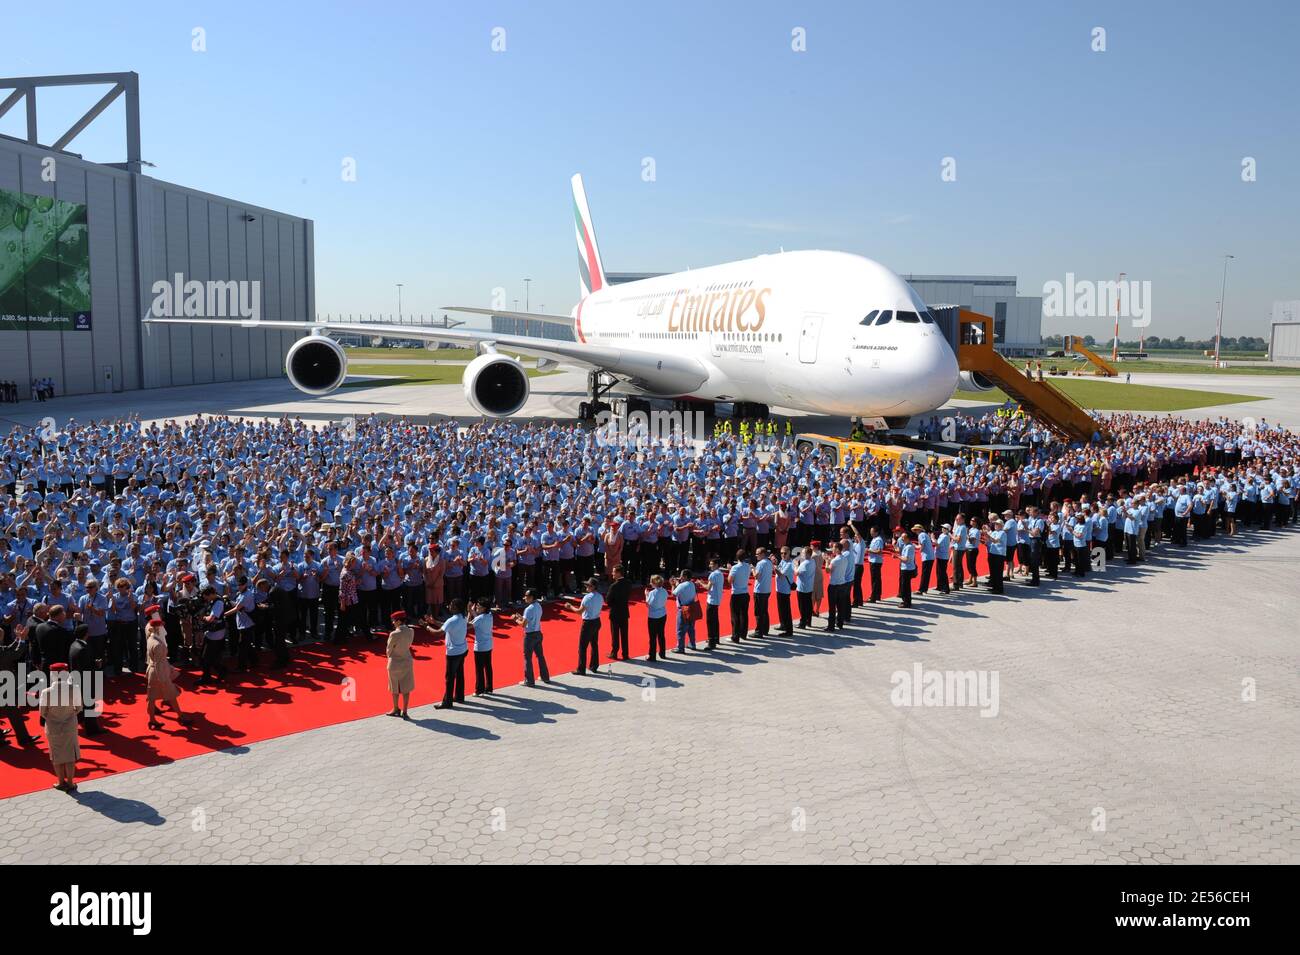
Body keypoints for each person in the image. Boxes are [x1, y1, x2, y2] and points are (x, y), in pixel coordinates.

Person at [143, 604, 189, 729]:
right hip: (159, 670)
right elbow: (159, 661)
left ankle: (152, 720)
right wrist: (163, 678)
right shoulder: (157, 642)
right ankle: (181, 717)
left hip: (153, 668)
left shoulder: (152, 635)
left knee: (151, 698)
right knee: (171, 695)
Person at [38, 662, 81, 792]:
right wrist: (69, 715)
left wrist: (53, 718)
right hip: (69, 726)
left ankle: (61, 782)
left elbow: (42, 712)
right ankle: (71, 783)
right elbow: (79, 708)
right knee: (69, 755)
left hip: (53, 727)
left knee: (57, 756)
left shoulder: (46, 692)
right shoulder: (74, 688)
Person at [428, 599, 468, 709]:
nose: (449, 606)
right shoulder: (463, 617)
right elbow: (446, 626)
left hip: (453, 652)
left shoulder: (451, 620)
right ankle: (459, 696)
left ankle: (447, 701)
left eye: (451, 605)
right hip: (463, 650)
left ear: (455, 607)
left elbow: (438, 633)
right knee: (459, 674)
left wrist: (426, 627)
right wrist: (434, 622)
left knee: (449, 678)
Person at [512, 589, 550, 686]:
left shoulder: (528, 609)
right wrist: (521, 617)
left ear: (532, 597)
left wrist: (516, 619)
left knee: (527, 658)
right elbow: (531, 620)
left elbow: (523, 625)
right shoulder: (538, 606)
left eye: (527, 596)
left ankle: (529, 680)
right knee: (540, 656)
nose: (525, 598)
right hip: (538, 633)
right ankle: (545, 676)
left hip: (530, 636)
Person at [565, 578, 603, 675]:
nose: (586, 587)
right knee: (594, 644)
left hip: (588, 623)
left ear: (593, 587)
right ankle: (594, 666)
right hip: (597, 621)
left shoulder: (587, 598)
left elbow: (579, 611)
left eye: (588, 585)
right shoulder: (600, 596)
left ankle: (581, 669)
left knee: (582, 647)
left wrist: (570, 607)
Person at [386, 609, 415, 718]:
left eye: (393, 620)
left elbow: (388, 650)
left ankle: (395, 708)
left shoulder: (394, 634)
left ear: (398, 621)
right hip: (407, 661)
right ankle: (405, 711)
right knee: (406, 688)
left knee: (395, 688)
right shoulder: (411, 631)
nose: (392, 622)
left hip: (394, 663)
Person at [196, 585, 227, 685]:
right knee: (206, 656)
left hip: (216, 634)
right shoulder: (214, 600)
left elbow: (211, 619)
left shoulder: (218, 603)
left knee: (208, 657)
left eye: (206, 596)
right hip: (211, 632)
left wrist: (202, 617)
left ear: (211, 594)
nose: (205, 599)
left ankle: (213, 675)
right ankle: (211, 675)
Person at [606, 564, 631, 660]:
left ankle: (614, 653)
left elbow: (608, 600)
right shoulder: (628, 583)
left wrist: (613, 604)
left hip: (615, 613)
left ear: (618, 573)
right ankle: (625, 654)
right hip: (624, 612)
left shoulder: (614, 586)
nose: (612, 573)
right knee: (624, 634)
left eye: (613, 572)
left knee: (615, 634)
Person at [469, 599, 494, 695]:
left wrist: (469, 613)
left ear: (484, 608)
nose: (476, 607)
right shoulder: (489, 615)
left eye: (478, 606)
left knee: (479, 669)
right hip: (488, 645)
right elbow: (477, 620)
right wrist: (472, 612)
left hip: (480, 647)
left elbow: (468, 625)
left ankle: (479, 690)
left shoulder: (480, 618)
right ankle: (489, 687)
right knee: (488, 667)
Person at [671, 569, 698, 652]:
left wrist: (673, 585)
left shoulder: (682, 585)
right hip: (692, 608)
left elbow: (673, 593)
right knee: (691, 628)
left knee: (680, 629)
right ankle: (692, 644)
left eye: (681, 575)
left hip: (683, 609)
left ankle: (680, 647)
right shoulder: (692, 584)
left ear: (685, 576)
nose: (680, 577)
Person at [727, 550, 751, 642]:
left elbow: (730, 580)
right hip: (745, 593)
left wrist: (730, 570)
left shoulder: (735, 568)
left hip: (736, 593)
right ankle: (743, 634)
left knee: (735, 615)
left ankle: (735, 636)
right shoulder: (747, 566)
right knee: (744, 614)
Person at [705, 556, 724, 649]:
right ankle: (716, 638)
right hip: (717, 599)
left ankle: (711, 642)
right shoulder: (720, 573)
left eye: (711, 564)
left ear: (716, 565)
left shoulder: (713, 575)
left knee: (710, 621)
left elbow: (708, 587)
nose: (709, 565)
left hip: (712, 600)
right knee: (715, 620)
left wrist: (700, 583)